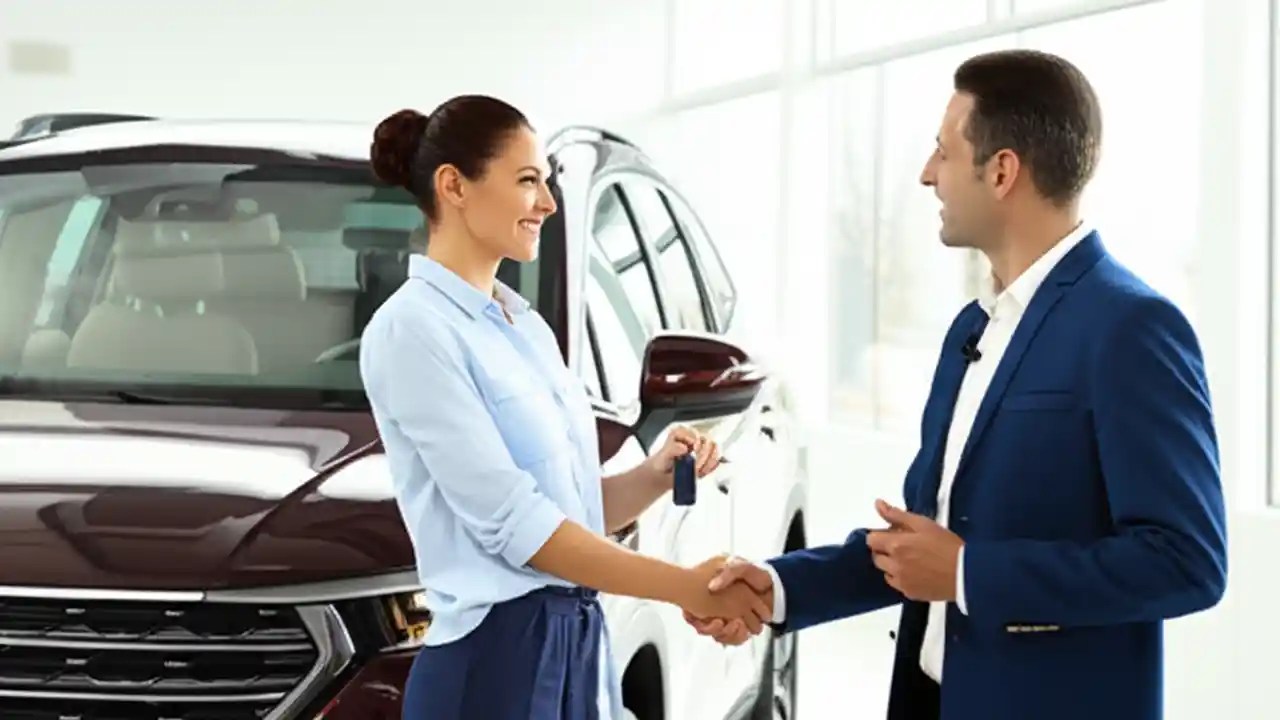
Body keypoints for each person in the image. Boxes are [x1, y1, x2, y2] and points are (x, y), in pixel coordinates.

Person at [687, 49, 1228, 720]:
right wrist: (779, 586)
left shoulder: (1132, 327)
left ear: (1001, 171)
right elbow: (927, 544)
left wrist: (970, 574)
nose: (926, 174)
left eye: (942, 153)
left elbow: (1186, 562)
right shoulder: (970, 330)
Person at [359, 95, 770, 720]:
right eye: (528, 181)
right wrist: (684, 586)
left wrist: (652, 476)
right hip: (492, 665)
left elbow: (567, 511)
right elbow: (516, 526)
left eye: (547, 181)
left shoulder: (525, 328)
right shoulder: (412, 330)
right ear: (454, 186)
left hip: (577, 642)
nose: (547, 203)